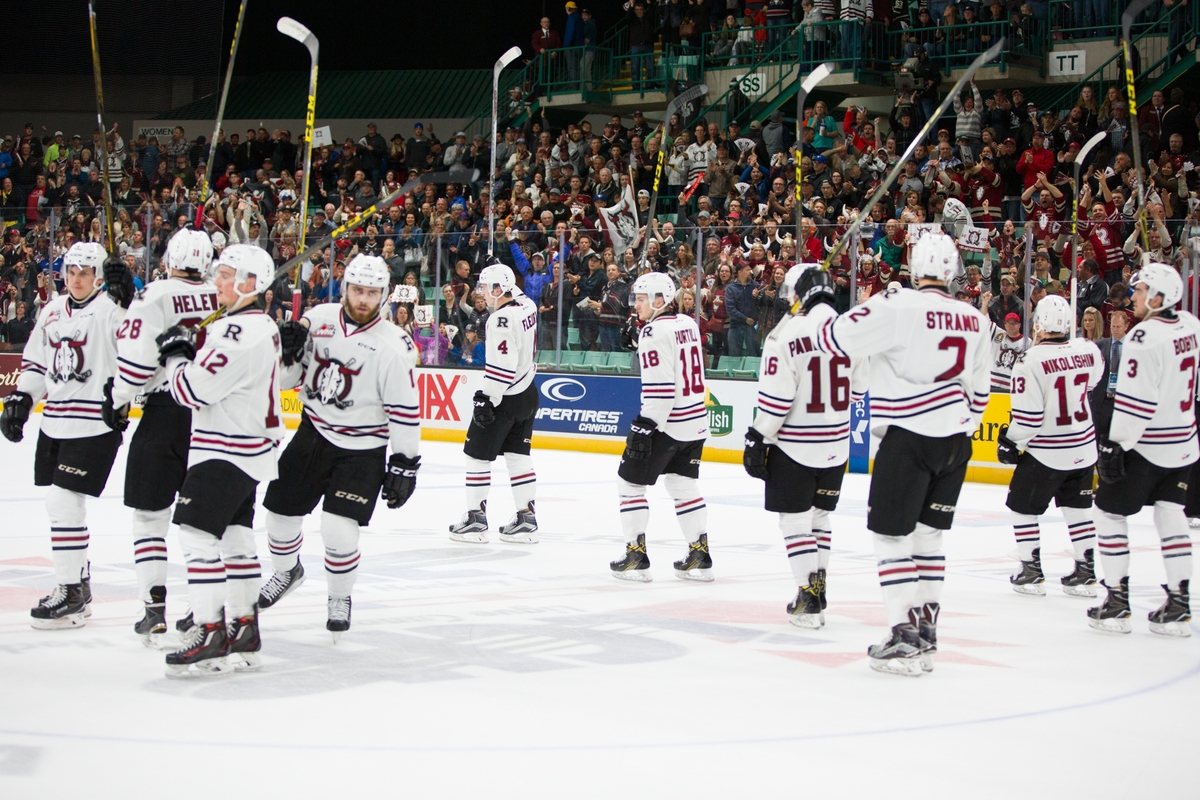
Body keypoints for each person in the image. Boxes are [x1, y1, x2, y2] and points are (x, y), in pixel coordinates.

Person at [814, 233, 991, 676]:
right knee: (929, 538)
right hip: (956, 442)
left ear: (914, 266)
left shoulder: (897, 306)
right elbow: (983, 392)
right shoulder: (974, 318)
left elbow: (834, 338)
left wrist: (825, 301)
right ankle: (926, 632)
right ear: (952, 270)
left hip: (908, 439)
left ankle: (903, 634)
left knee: (892, 537)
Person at [258, 254, 421, 639]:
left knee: (338, 530)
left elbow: (404, 411)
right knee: (278, 516)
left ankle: (339, 596)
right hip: (313, 432)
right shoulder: (317, 320)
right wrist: (286, 353)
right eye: (357, 290)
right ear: (345, 287)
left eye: (372, 292)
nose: (363, 299)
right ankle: (287, 572)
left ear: (384, 296)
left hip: (363, 448)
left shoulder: (395, 346)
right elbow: (285, 382)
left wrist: (405, 463)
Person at [157, 244, 282, 676]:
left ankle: (210, 629)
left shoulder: (236, 332)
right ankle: (244, 626)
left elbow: (192, 391)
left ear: (250, 283)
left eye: (228, 274)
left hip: (225, 446)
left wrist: (174, 357)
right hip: (249, 448)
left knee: (195, 534)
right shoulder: (257, 324)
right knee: (234, 537)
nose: (218, 279)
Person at [1, 242, 127, 630]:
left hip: (93, 424)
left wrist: (129, 302)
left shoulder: (111, 310)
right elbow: (36, 361)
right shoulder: (53, 310)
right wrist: (22, 397)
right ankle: (80, 585)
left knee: (62, 502)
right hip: (55, 422)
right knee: (66, 508)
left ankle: (69, 590)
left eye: (84, 272)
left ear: (99, 277)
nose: (76, 278)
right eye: (71, 271)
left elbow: (136, 348)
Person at [102, 228, 220, 643]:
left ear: (168, 257)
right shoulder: (222, 295)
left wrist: (117, 399)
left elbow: (134, 365)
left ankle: (153, 606)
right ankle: (203, 606)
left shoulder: (153, 295)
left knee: (151, 515)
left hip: (164, 413)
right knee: (203, 519)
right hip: (210, 416)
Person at [743, 264, 867, 626]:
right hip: (837, 445)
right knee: (820, 517)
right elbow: (858, 392)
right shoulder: (851, 332)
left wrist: (757, 437)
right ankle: (819, 582)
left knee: (794, 521)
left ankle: (807, 595)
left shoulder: (786, 335)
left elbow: (777, 400)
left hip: (795, 446)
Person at [1091, 264, 1198, 636]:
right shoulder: (1189, 324)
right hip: (1184, 443)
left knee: (1106, 512)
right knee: (1171, 516)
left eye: (1140, 290)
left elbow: (1137, 402)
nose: (1134, 296)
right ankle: (1180, 602)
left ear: (1158, 298)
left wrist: (1114, 445)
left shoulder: (1143, 338)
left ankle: (1117, 600)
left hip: (1148, 447)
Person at [997, 296, 1104, 598]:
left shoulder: (1030, 361)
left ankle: (1030, 570)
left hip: (1048, 452)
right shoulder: (1087, 350)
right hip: (1083, 446)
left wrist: (1010, 442)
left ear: (1039, 323)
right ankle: (1086, 570)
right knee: (1078, 508)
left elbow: (1029, 419)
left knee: (1021, 506)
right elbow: (1092, 384)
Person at [610, 274, 712, 582]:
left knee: (629, 484)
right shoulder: (687, 323)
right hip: (695, 422)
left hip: (666, 423)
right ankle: (699, 552)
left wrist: (644, 426)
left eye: (641, 299)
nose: (635, 305)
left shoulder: (653, 332)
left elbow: (662, 388)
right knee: (682, 485)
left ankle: (635, 554)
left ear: (659, 301)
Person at [449, 262, 541, 543]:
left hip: (504, 396)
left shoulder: (499, 320)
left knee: (476, 456)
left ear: (500, 289)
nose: (483, 294)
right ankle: (527, 518)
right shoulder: (528, 305)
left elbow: (502, 367)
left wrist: (486, 399)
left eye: (487, 288)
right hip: (528, 392)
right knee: (518, 457)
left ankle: (476, 519)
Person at [987, 312, 1031, 393]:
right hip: (992, 383)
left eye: (1014, 323)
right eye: (1009, 323)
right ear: (1005, 325)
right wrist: (985, 304)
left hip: (1012, 386)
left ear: (1019, 325)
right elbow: (985, 320)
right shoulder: (998, 334)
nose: (1011, 325)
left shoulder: (1027, 342)